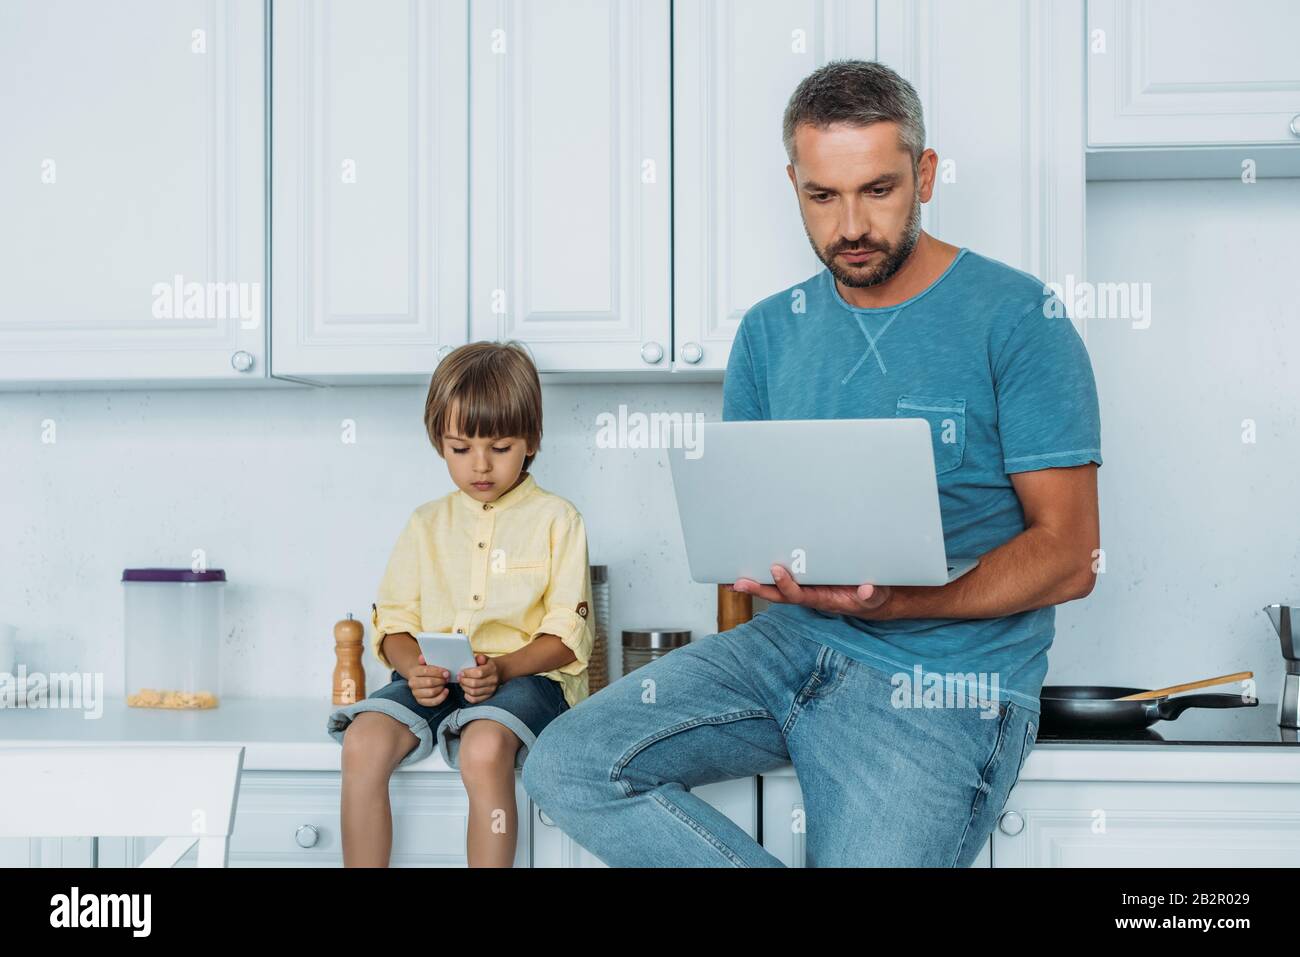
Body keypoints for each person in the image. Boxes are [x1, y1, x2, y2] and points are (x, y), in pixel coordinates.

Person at [523, 59, 1102, 866]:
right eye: (822, 196)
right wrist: (761, 566)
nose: (851, 226)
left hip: (942, 685)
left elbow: (1071, 555)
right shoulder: (769, 332)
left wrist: (905, 604)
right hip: (789, 646)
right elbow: (754, 520)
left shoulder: (1018, 318)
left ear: (925, 175)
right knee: (566, 764)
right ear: (794, 182)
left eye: (878, 190)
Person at [327, 341, 595, 867]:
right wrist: (415, 668)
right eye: (459, 448)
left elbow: (567, 636)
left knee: (483, 748)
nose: (479, 465)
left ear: (532, 440)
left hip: (525, 682)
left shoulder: (558, 520)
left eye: (499, 448)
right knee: (362, 740)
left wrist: (501, 668)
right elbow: (395, 623)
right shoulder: (425, 523)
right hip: (432, 680)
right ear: (439, 443)